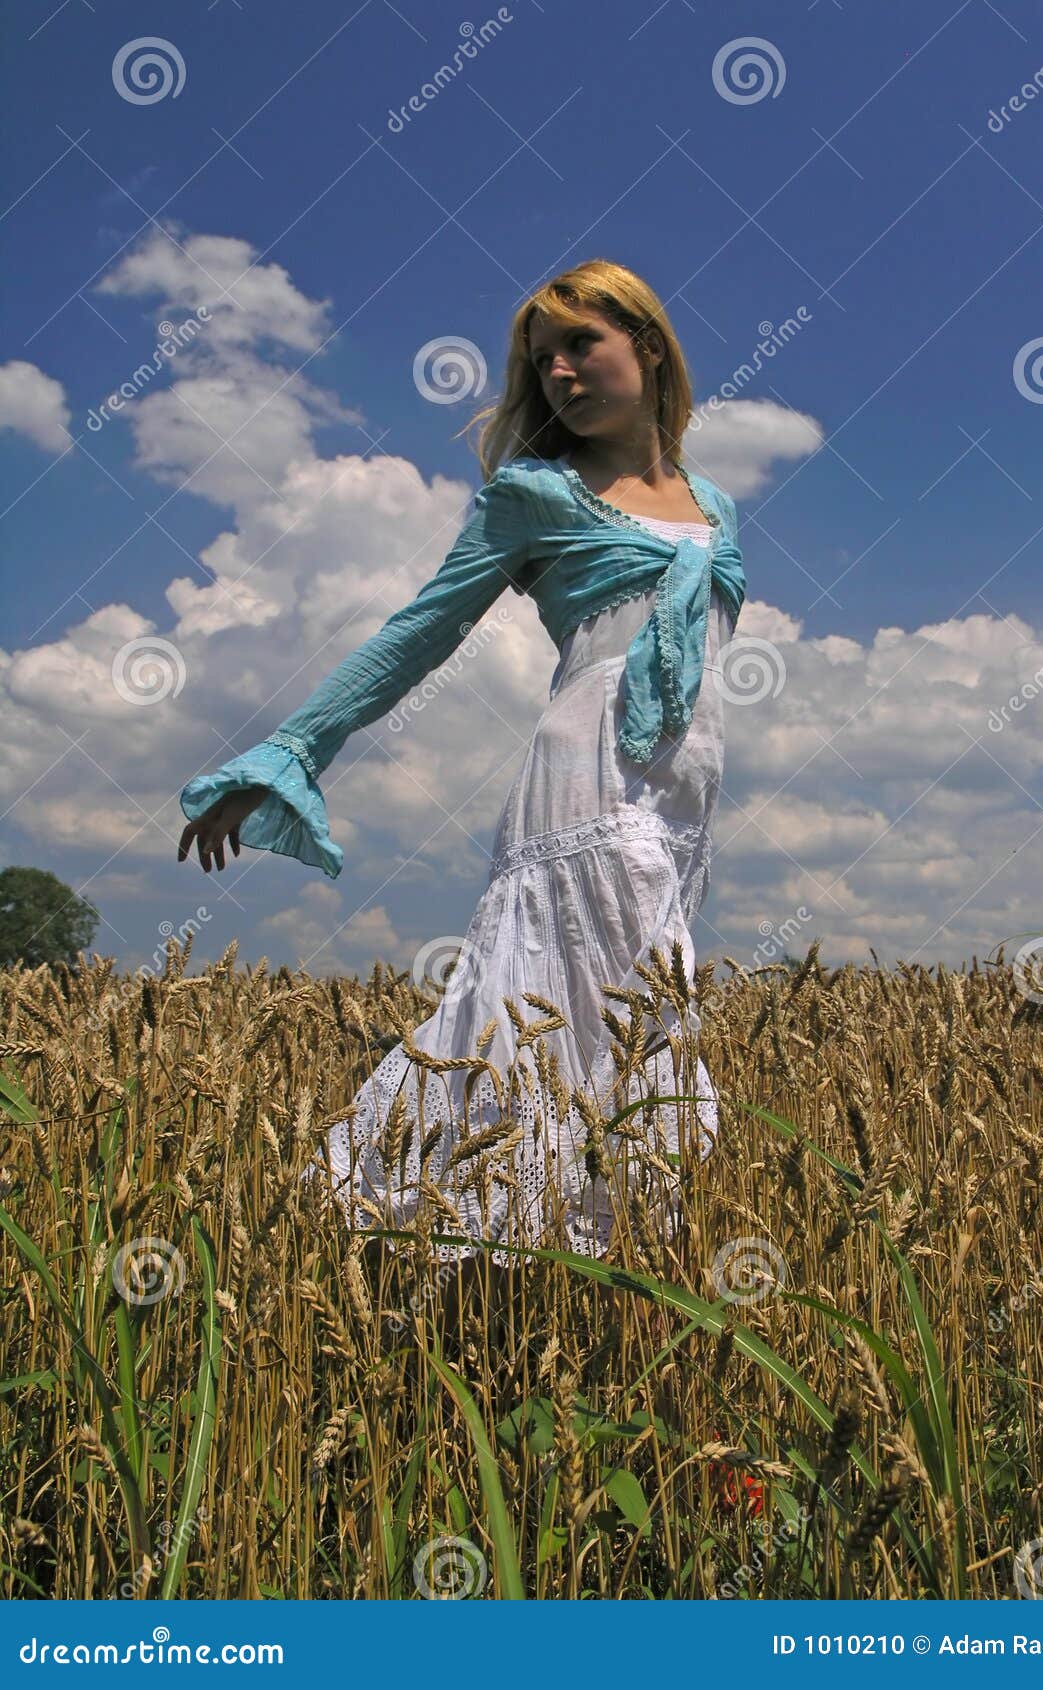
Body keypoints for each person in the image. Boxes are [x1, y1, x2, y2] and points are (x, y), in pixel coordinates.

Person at [177, 258, 747, 1286]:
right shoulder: (534, 494)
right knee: (553, 1022)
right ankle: (425, 1237)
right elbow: (418, 632)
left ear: (650, 347)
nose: (562, 373)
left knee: (632, 1031)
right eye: (544, 359)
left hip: (684, 798)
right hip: (587, 783)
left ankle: (579, 1292)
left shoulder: (716, 503)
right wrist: (292, 749)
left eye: (583, 345)